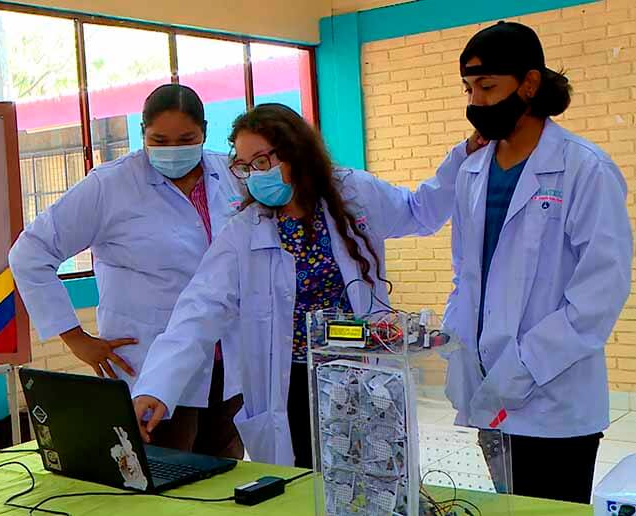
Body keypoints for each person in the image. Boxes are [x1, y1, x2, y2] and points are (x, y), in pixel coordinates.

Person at [132, 103, 482, 467]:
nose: (254, 174)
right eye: (245, 165)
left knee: (371, 481)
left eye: (262, 162)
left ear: (294, 153)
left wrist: (462, 156)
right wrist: (156, 387)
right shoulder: (244, 231)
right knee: (303, 483)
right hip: (289, 382)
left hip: (359, 373)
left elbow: (419, 213)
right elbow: (197, 311)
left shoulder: (353, 192)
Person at [441, 21, 633, 503]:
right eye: (468, 88)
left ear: (529, 84)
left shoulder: (584, 168)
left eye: (487, 86)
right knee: (506, 505)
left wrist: (523, 365)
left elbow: (599, 293)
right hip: (487, 386)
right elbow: (467, 273)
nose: (476, 101)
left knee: (550, 508)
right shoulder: (471, 172)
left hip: (555, 394)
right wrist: (454, 344)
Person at [9, 84, 246, 458]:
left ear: (205, 130)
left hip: (228, 358)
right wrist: (74, 338)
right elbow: (30, 253)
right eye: (159, 140)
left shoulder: (230, 174)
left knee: (225, 473)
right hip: (148, 360)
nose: (173, 150)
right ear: (142, 134)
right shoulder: (110, 185)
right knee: (162, 472)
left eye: (186, 139)